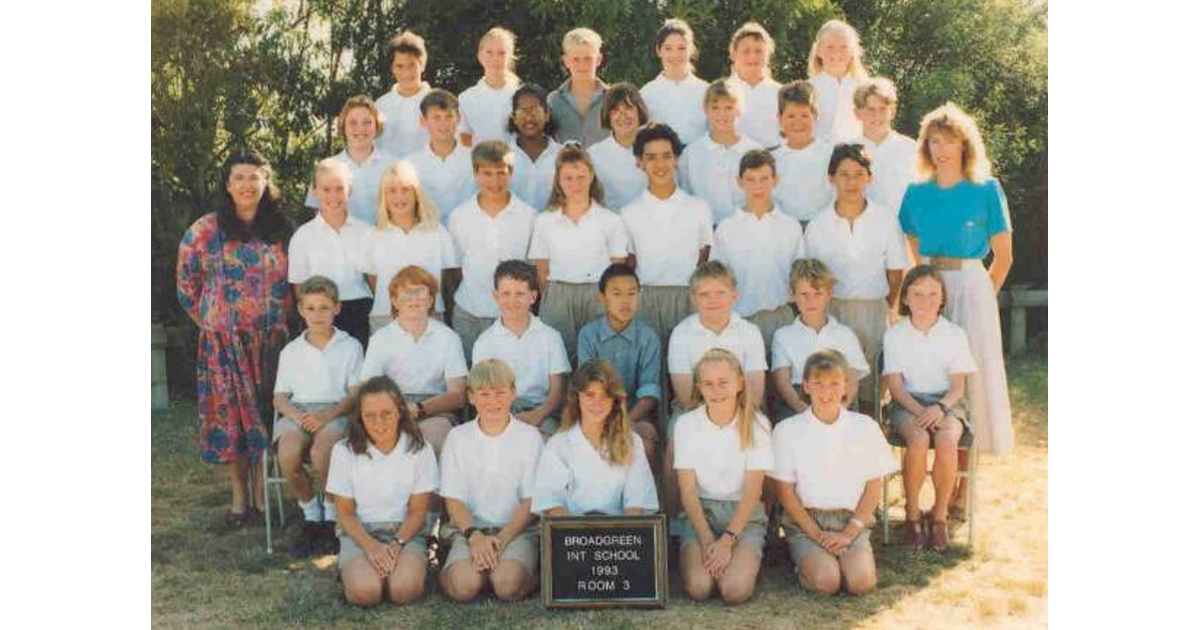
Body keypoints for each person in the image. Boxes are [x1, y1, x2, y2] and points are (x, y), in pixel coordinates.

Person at [176, 151, 294, 527]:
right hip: (222, 346)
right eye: (239, 177)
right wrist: (213, 325)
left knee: (264, 416)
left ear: (265, 181)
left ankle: (263, 496)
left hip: (271, 342)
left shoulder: (282, 230)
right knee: (231, 424)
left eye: (253, 177)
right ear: (228, 184)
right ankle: (240, 499)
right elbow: (186, 286)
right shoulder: (204, 231)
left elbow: (298, 283)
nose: (247, 185)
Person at [898, 102, 1014, 459]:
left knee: (972, 376)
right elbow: (914, 248)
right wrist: (928, 293)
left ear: (965, 144)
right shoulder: (916, 192)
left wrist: (980, 297)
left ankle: (963, 485)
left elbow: (1004, 256)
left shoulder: (986, 189)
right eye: (934, 142)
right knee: (930, 370)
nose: (941, 150)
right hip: (929, 290)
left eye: (949, 141)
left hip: (971, 285)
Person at [769, 349, 897, 596]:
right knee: (827, 582)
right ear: (805, 385)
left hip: (851, 519)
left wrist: (850, 532)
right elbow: (785, 492)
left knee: (861, 583)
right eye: (817, 383)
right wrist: (816, 534)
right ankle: (806, 559)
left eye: (834, 384)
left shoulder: (865, 427)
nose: (826, 392)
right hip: (807, 521)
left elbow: (873, 486)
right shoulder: (787, 430)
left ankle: (844, 556)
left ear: (845, 386)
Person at [804, 143, 909, 408]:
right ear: (831, 178)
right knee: (835, 380)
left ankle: (871, 434)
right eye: (844, 174)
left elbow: (896, 270)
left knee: (870, 387)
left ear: (869, 177)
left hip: (874, 308)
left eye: (858, 174)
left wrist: (891, 308)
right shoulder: (818, 224)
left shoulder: (885, 219)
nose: (852, 182)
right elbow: (810, 275)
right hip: (833, 311)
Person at [883, 265, 977, 551]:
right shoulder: (895, 335)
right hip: (907, 402)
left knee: (948, 440)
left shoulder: (954, 334)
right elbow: (896, 388)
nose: (925, 301)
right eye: (917, 294)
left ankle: (938, 517)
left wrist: (939, 407)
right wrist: (921, 412)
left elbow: (958, 388)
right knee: (919, 438)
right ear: (906, 298)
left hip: (946, 402)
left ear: (943, 298)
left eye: (932, 294)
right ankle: (912, 517)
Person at [665, 261, 767, 521]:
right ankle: (675, 520)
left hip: (742, 407)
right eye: (704, 294)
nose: (712, 300)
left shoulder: (749, 331)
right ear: (693, 298)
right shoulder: (682, 333)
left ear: (734, 295)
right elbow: (684, 391)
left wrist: (733, 415)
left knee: (762, 434)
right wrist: (713, 417)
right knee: (676, 437)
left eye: (720, 293)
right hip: (695, 408)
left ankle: (761, 519)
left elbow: (755, 387)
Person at [272, 276, 364, 557]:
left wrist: (325, 416)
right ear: (300, 310)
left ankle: (331, 517)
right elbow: (279, 398)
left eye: (324, 308)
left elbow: (354, 395)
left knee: (324, 452)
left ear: (337, 308)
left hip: (336, 410)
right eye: (310, 308)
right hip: (298, 411)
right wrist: (299, 417)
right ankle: (311, 514)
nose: (317, 315)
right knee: (288, 453)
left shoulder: (350, 347)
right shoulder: (292, 350)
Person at [327, 376, 438, 606]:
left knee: (403, 591)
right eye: (370, 415)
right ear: (360, 418)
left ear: (400, 412)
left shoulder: (420, 449)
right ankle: (353, 569)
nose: (379, 422)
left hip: (405, 533)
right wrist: (371, 547)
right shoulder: (343, 451)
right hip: (360, 533)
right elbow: (345, 513)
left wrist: (396, 545)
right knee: (366, 593)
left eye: (386, 413)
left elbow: (418, 512)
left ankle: (411, 564)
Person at [439, 359, 544, 602]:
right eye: (484, 394)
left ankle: (528, 571)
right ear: (471, 397)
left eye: (500, 393)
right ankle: (453, 569)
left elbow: (530, 500)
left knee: (506, 586)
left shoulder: (530, 437)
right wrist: (475, 537)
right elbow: (453, 499)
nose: (493, 401)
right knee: (464, 587)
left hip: (515, 531)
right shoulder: (458, 437)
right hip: (470, 530)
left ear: (513, 392)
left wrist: (500, 540)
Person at [674, 349, 774, 605]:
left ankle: (747, 558)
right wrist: (709, 542)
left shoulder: (758, 425)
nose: (716, 390)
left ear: (740, 383)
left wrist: (727, 542)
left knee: (734, 590)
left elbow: (753, 493)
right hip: (702, 512)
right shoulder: (686, 425)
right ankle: (701, 553)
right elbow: (687, 492)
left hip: (743, 515)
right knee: (699, 587)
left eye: (723, 383)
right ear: (698, 387)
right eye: (708, 384)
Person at [529, 144, 628, 363]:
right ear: (559, 181)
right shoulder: (545, 220)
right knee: (559, 358)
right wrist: (554, 298)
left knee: (598, 360)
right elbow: (542, 269)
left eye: (581, 177)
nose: (575, 184)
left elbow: (617, 269)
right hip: (558, 296)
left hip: (596, 295)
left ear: (591, 176)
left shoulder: (610, 220)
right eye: (568, 178)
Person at [620, 123, 714, 346]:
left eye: (666, 156)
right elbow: (630, 262)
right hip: (647, 300)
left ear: (676, 159)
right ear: (639, 162)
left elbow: (705, 256)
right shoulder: (628, 213)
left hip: (688, 298)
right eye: (651, 157)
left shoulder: (698, 207)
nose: (660, 164)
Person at [359, 266, 465, 457]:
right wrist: (394, 410)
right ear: (394, 300)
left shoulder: (448, 337)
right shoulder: (381, 338)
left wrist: (419, 409)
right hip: (390, 408)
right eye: (406, 293)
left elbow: (457, 394)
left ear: (431, 299)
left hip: (435, 409)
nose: (414, 299)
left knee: (433, 442)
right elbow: (368, 388)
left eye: (420, 292)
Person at [445, 141, 538, 359]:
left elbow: (533, 270)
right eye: (487, 173)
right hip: (470, 314)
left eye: (501, 173)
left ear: (511, 172)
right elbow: (454, 270)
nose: (494, 181)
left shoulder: (529, 216)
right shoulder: (459, 216)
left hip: (515, 317)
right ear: (475, 174)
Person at [533, 360, 659, 516]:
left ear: (615, 400)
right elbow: (551, 502)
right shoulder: (558, 444)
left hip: (619, 532)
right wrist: (578, 535)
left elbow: (636, 504)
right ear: (576, 397)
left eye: (605, 396)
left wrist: (620, 534)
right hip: (571, 532)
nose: (597, 403)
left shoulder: (632, 442)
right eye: (589, 395)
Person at [711, 149, 805, 353]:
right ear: (739, 181)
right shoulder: (727, 228)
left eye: (764, 178)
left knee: (780, 379)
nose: (757, 186)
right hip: (738, 318)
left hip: (781, 316)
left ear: (775, 180)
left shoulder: (791, 226)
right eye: (750, 179)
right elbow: (717, 278)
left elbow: (800, 277)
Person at [471, 260, 571, 436]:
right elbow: (481, 390)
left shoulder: (550, 337)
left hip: (541, 411)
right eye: (506, 294)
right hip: (498, 410)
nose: (512, 301)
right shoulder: (484, 342)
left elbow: (558, 390)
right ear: (496, 296)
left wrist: (537, 415)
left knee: (549, 442)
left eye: (520, 294)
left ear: (533, 296)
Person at [576, 263, 663, 464]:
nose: (625, 301)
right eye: (617, 294)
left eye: (631, 293)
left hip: (635, 414)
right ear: (603, 298)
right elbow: (588, 387)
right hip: (595, 410)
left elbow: (649, 392)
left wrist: (625, 422)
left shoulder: (648, 337)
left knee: (645, 441)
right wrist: (604, 421)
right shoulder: (589, 335)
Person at [358, 160, 458, 334]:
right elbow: (373, 280)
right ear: (384, 197)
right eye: (391, 191)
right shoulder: (373, 235)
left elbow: (448, 278)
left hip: (430, 315)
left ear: (416, 193)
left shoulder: (436, 232)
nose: (399, 197)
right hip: (385, 316)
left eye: (405, 190)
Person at [289, 158, 374, 348]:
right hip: (321, 315)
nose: (333, 196)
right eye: (326, 189)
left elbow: (373, 279)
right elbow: (299, 286)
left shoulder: (365, 231)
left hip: (359, 312)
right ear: (315, 191)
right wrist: (311, 315)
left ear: (349, 191)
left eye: (339, 189)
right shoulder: (303, 236)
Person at [771, 259, 870, 418]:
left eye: (818, 294)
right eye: (804, 294)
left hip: (839, 402)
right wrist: (809, 415)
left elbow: (852, 379)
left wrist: (839, 412)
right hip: (799, 404)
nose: (811, 301)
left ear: (829, 294)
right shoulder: (783, 336)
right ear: (793, 294)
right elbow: (782, 383)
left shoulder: (845, 334)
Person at [304, 96, 400, 225]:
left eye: (367, 122)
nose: (360, 128)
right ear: (343, 126)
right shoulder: (326, 169)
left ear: (377, 126)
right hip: (342, 243)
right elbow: (319, 217)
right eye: (353, 123)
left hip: (386, 242)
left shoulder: (394, 166)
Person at [679, 79, 762, 224]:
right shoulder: (691, 153)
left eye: (728, 107)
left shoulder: (754, 151)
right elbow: (686, 196)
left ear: (738, 110)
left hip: (745, 228)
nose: (721, 114)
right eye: (715, 108)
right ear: (706, 110)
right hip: (706, 231)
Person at [404, 89, 477, 226]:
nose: (443, 124)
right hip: (427, 235)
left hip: (469, 233)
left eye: (449, 116)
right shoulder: (410, 164)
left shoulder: (474, 159)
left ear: (459, 119)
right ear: (423, 121)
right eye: (436, 117)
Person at [771, 80, 834, 226]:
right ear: (779, 118)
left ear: (815, 116)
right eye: (791, 116)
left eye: (804, 115)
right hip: (785, 230)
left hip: (822, 228)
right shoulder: (773, 159)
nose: (798, 122)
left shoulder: (830, 154)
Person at [852, 77, 918, 214]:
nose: (877, 115)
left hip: (902, 231)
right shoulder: (848, 150)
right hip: (862, 229)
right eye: (870, 109)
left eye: (883, 109)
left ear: (893, 112)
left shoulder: (910, 148)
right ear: (857, 113)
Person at [640, 18, 709, 146]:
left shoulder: (706, 91)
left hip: (700, 163)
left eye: (681, 48)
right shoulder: (647, 93)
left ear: (691, 50)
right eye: (668, 48)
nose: (675, 54)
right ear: (658, 51)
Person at [587, 83, 650, 210]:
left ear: (639, 111)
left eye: (628, 108)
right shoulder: (593, 155)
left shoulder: (656, 149)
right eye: (615, 111)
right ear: (608, 116)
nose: (623, 115)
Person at [807, 19, 870, 144]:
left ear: (852, 51)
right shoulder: (807, 88)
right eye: (830, 47)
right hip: (819, 158)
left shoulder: (864, 88)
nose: (836, 53)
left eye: (844, 47)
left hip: (856, 157)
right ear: (819, 50)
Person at [458, 27, 522, 147]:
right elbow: (464, 137)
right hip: (480, 164)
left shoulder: (522, 96)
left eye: (501, 53)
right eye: (489, 52)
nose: (495, 58)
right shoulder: (466, 98)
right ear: (480, 56)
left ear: (510, 56)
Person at [548, 28, 609, 147]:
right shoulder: (553, 101)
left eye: (588, 58)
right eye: (576, 59)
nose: (582, 65)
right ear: (566, 61)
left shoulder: (612, 99)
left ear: (599, 59)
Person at [376, 30, 432, 158]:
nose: (406, 72)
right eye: (399, 66)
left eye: (412, 65)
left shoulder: (438, 102)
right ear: (392, 68)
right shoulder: (380, 105)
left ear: (422, 65)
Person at [507, 84, 563, 211]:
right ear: (514, 118)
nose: (529, 117)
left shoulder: (562, 155)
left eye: (535, 110)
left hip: (554, 227)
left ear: (547, 114)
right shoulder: (502, 156)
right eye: (522, 111)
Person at [726, 22, 781, 148]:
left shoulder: (780, 92)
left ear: (768, 55)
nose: (753, 56)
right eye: (746, 51)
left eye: (759, 51)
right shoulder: (723, 90)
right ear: (734, 55)